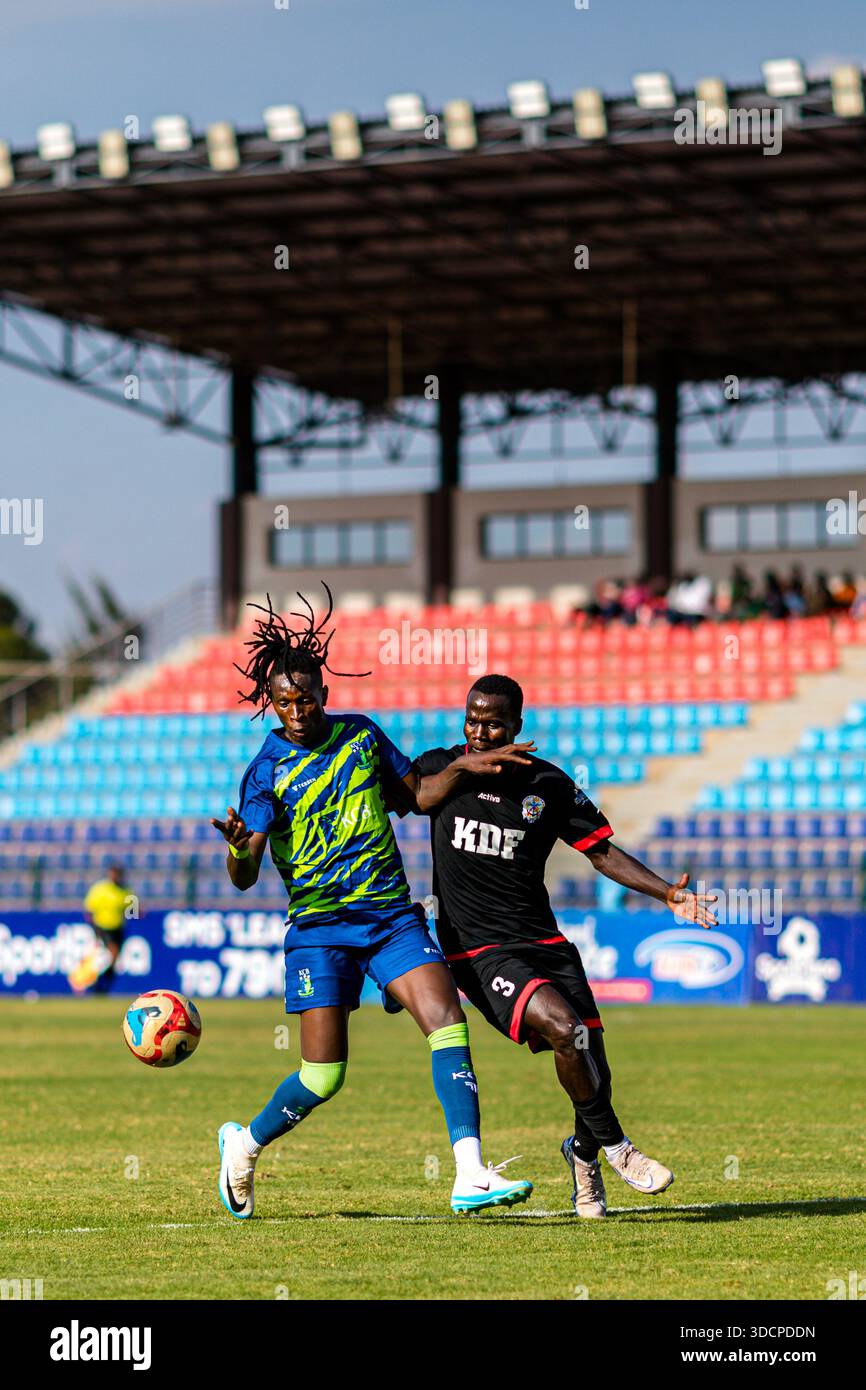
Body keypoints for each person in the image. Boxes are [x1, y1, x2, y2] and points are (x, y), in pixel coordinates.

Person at [210, 589, 534, 1220]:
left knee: (447, 1020)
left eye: (306, 697)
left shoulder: (360, 737)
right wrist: (238, 852)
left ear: (324, 694)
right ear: (270, 705)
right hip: (319, 932)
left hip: (391, 919)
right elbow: (245, 871)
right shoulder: (266, 772)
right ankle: (243, 1147)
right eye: (284, 701)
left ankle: (469, 1172)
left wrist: (471, 764)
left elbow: (418, 795)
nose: (298, 710)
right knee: (323, 1077)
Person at [408, 674, 718, 1219]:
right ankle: (621, 1149)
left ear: (517, 726)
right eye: (472, 720)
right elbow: (404, 798)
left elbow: (601, 852)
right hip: (477, 951)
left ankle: (581, 1156)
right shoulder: (439, 767)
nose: (481, 731)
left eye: (494, 722)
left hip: (545, 941)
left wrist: (667, 892)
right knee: (560, 1028)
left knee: (593, 1062)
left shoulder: (546, 785)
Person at [73, 862, 130, 993]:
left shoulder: (125, 891)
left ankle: (99, 984)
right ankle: (90, 981)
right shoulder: (100, 889)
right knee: (110, 954)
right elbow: (89, 908)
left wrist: (136, 911)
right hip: (102, 927)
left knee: (111, 959)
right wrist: (94, 928)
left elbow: (132, 910)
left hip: (118, 928)